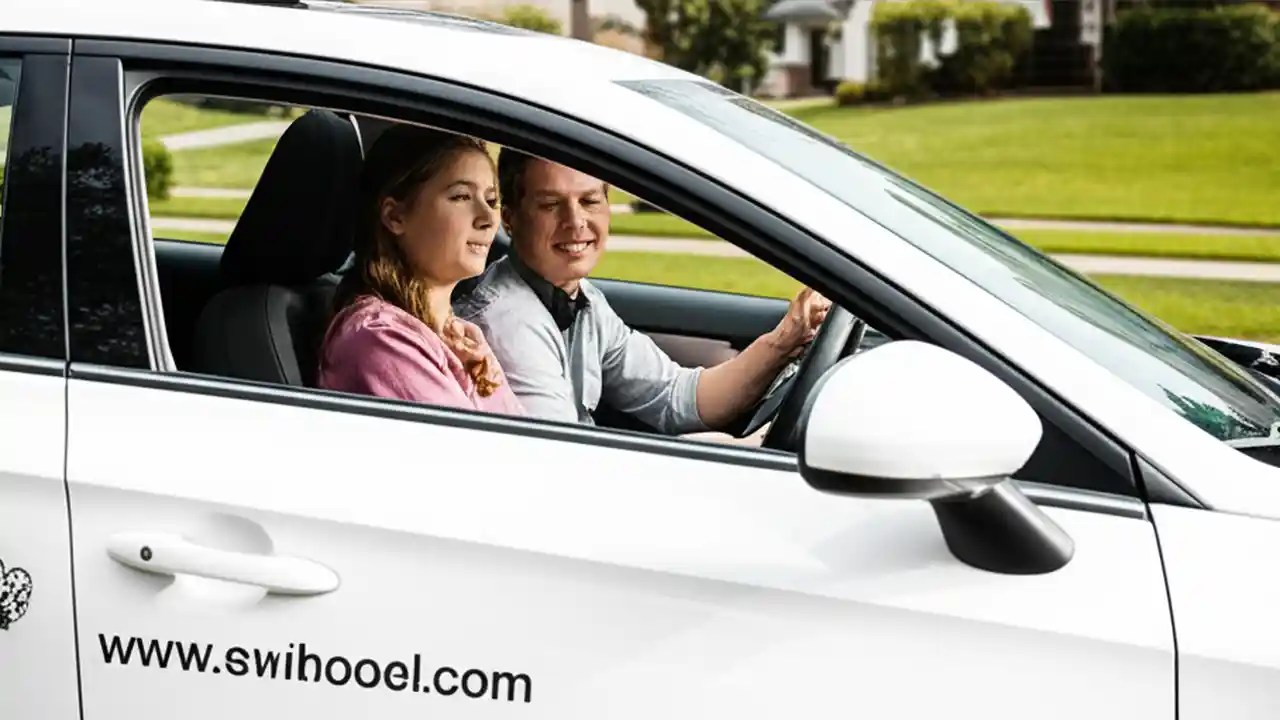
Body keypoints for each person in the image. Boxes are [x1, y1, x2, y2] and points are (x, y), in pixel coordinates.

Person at [452, 148, 827, 434]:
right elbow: (559, 462)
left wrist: (782, 343)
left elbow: (675, 397)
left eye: (590, 200)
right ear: (512, 219)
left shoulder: (583, 300)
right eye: (551, 205)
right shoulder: (505, 323)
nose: (576, 221)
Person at [317, 124, 524, 417]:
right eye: (461, 197)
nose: (489, 218)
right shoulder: (379, 339)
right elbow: (476, 454)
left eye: (491, 200)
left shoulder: (459, 336)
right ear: (395, 216)